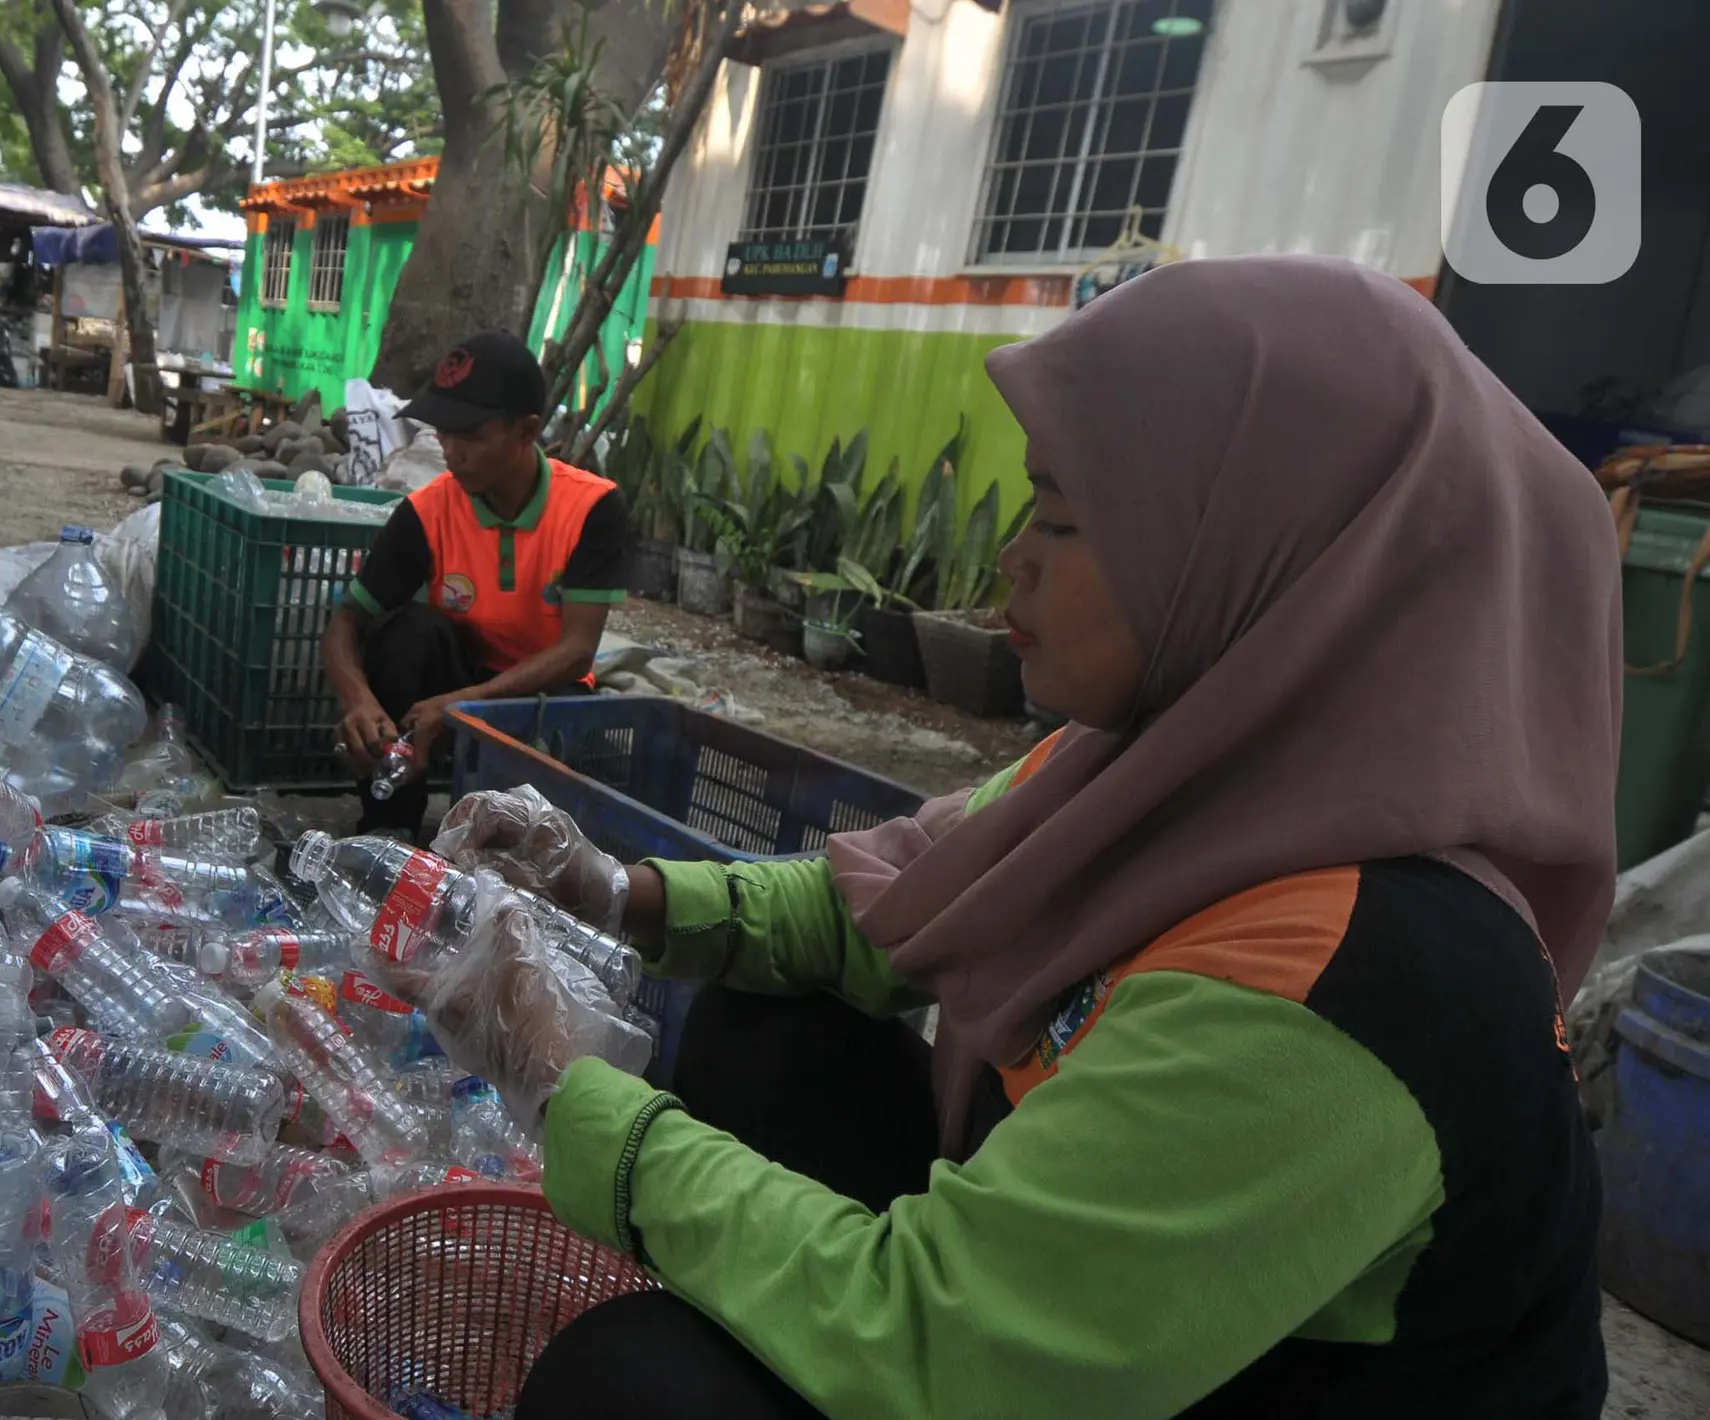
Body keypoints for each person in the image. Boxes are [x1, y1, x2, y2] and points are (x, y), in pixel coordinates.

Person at [440, 256, 1621, 1417]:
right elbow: (905, 896)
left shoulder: (1361, 983)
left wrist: (562, 1088)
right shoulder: (1169, 762)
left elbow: (937, 1340)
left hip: (1079, 1377)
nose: (1012, 555)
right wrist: (614, 888)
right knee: (774, 1036)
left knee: (634, 1388)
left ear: (1258, 551)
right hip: (1111, 1343)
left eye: (1061, 515)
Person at [320, 330, 632, 837]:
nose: (450, 451)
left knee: (551, 822)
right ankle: (388, 826)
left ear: (526, 431)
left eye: (469, 435)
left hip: (544, 697)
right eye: (443, 432)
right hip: (458, 674)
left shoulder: (592, 508)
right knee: (405, 633)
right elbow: (346, 623)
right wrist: (358, 700)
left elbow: (577, 651)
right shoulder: (427, 511)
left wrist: (467, 705)